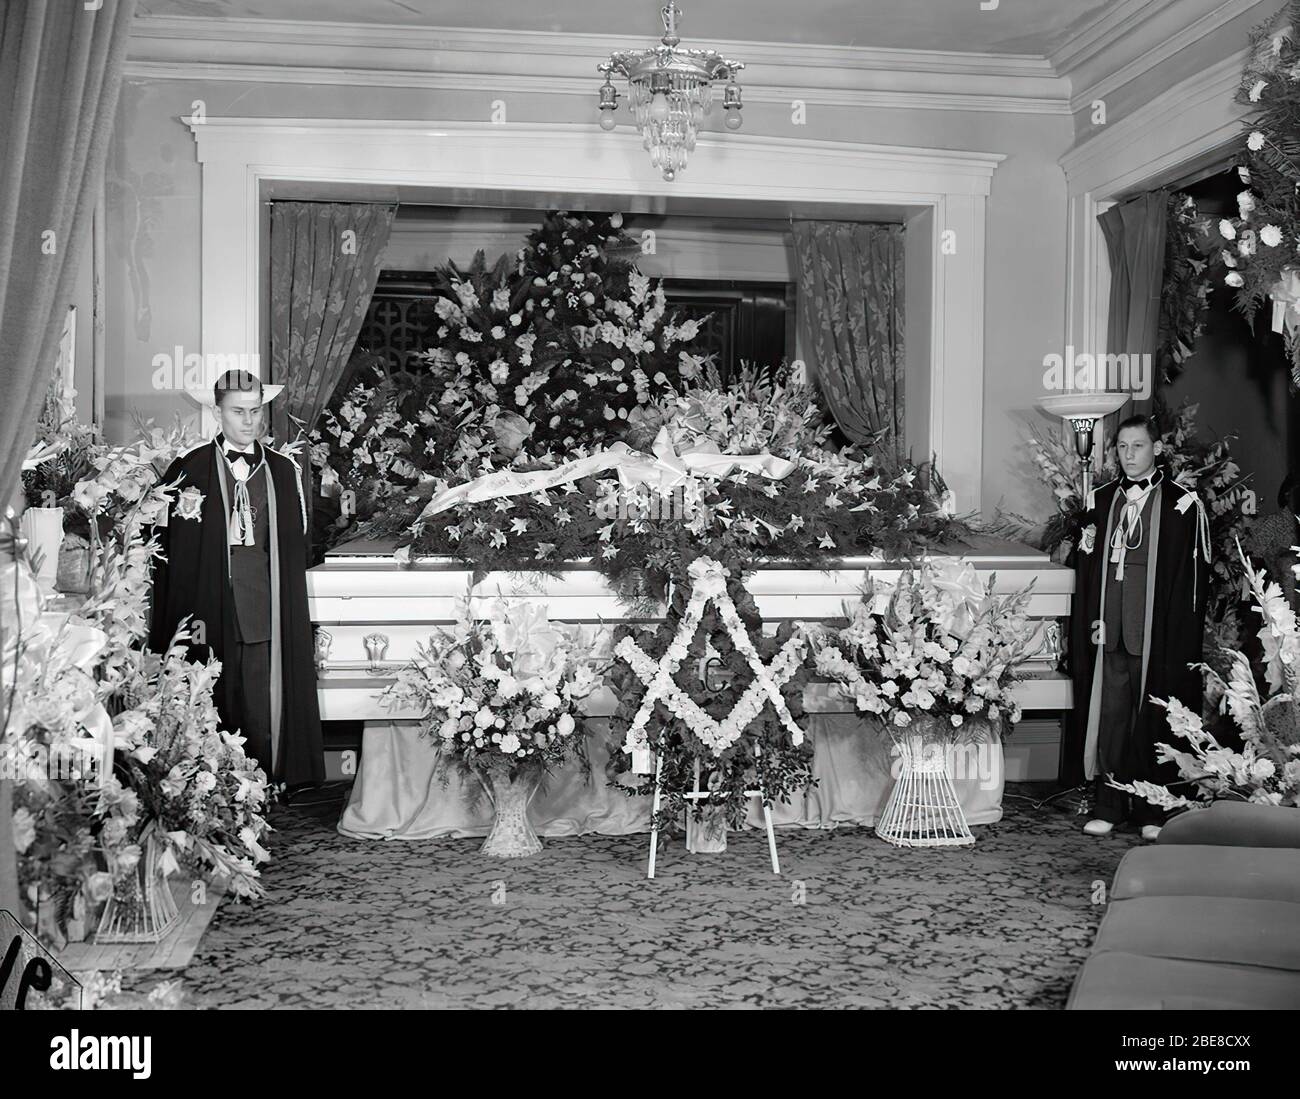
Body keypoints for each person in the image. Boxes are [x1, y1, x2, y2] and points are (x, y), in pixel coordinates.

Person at [148, 369, 324, 791]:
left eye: (255, 411)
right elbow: (168, 548)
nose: (248, 421)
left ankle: (263, 784)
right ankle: (215, 784)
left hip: (263, 603)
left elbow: (298, 541)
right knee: (214, 696)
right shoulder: (188, 469)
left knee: (262, 700)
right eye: (237, 412)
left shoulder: (283, 471)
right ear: (217, 412)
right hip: (210, 603)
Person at [1064, 414, 1209, 840]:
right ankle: (1109, 804)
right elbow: (1089, 572)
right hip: (1109, 632)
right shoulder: (1101, 499)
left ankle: (1152, 807)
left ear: (1157, 449)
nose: (1129, 455)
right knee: (1110, 719)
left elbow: (1191, 585)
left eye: (1138, 446)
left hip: (1154, 635)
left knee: (1152, 720)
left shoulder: (1182, 505)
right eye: (1123, 447)